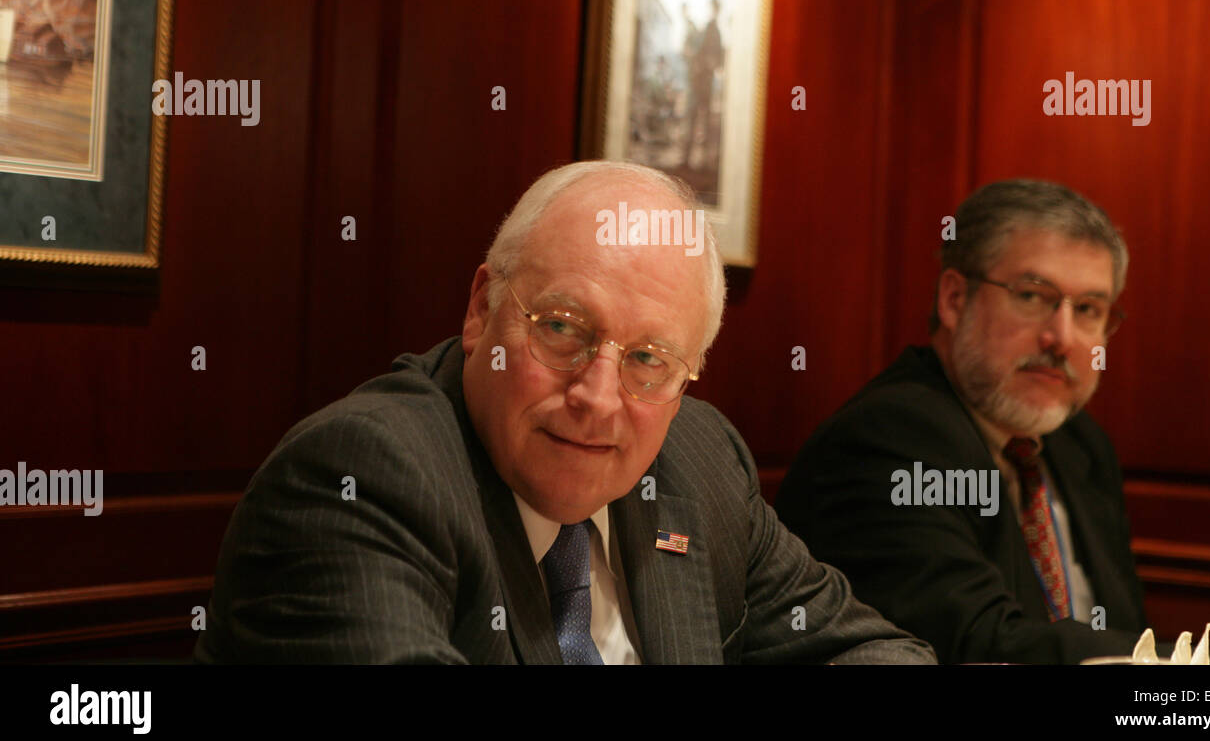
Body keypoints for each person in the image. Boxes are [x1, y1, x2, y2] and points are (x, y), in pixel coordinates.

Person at [195, 160, 935, 664]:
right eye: (561, 329)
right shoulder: (358, 480)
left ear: (689, 377)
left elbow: (874, 652)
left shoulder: (699, 460)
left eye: (649, 359)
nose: (597, 396)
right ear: (482, 310)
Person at [776, 179, 1147, 664]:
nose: (1061, 337)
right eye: (1033, 297)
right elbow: (980, 647)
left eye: (1087, 310)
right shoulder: (892, 436)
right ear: (954, 299)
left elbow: (1128, 632)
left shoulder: (1080, 445)